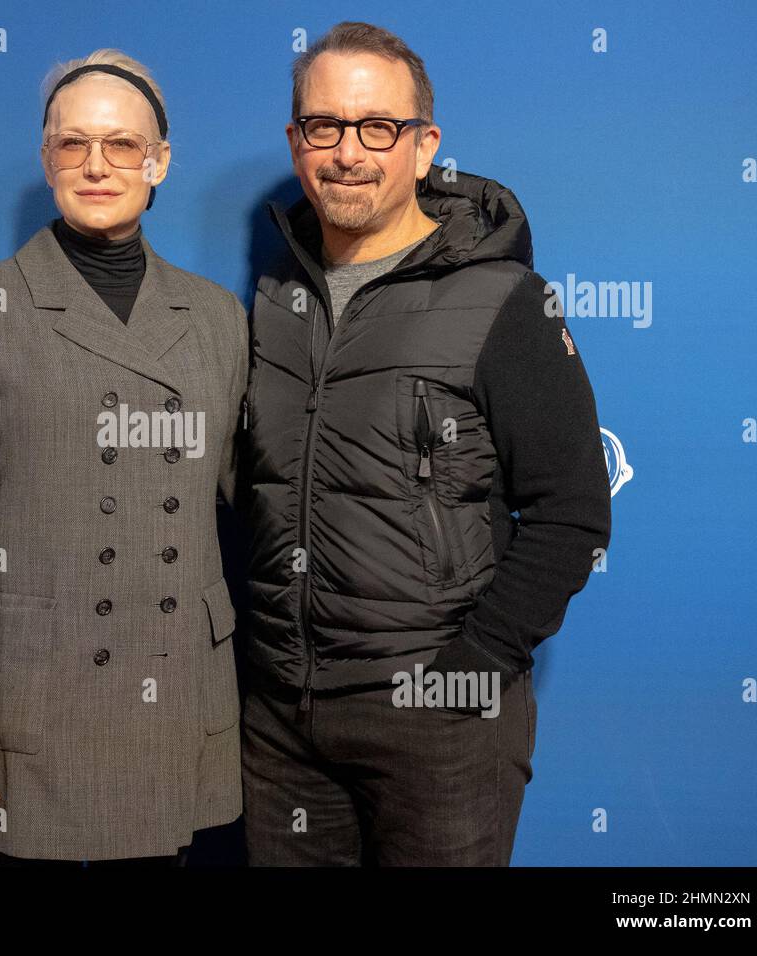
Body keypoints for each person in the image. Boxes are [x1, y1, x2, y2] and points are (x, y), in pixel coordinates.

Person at [239, 21, 612, 865]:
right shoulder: (273, 301)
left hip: (440, 727)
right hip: (280, 725)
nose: (349, 152)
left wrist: (467, 670)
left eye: (379, 128)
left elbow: (572, 513)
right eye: (324, 126)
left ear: (423, 145)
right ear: (297, 141)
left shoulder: (505, 300)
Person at [0, 49, 249, 865]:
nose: (97, 166)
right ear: (47, 159)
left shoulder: (216, 317)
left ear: (159, 160)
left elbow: (256, 507)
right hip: (37, 712)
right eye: (73, 144)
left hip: (179, 705)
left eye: (123, 145)